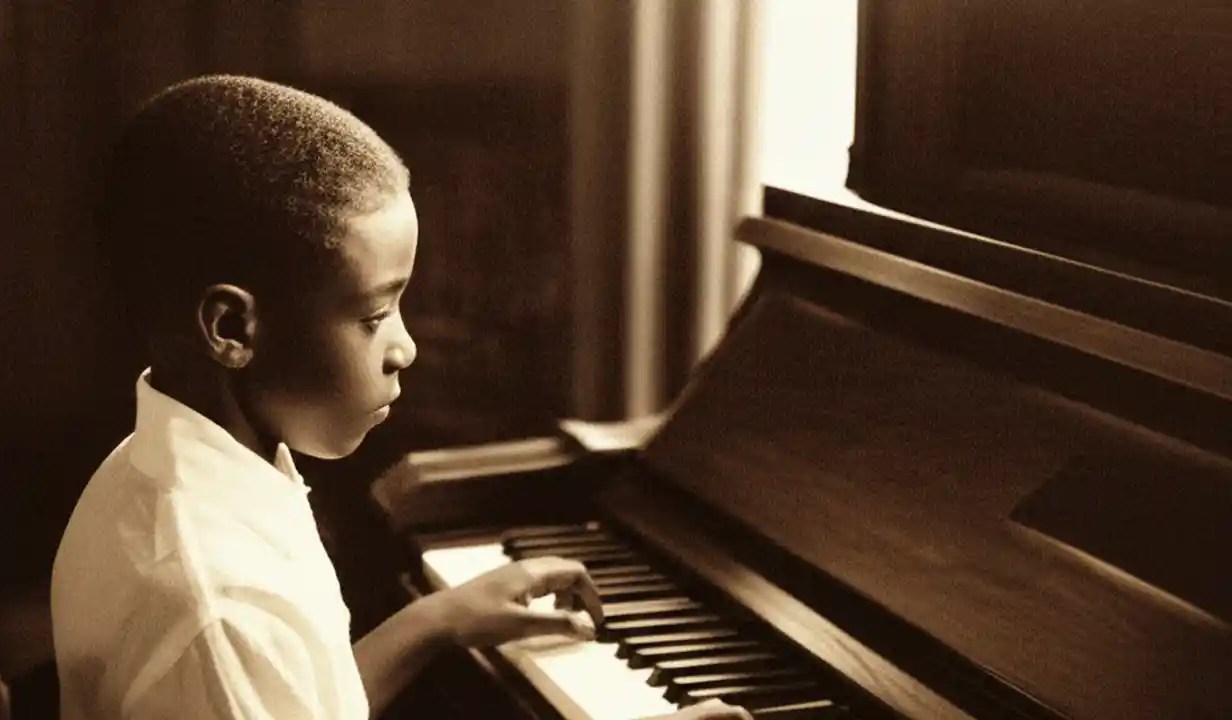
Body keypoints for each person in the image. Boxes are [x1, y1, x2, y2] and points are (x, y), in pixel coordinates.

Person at [50, 75, 750, 720]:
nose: (405, 347)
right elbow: (241, 667)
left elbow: (296, 702)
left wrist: (436, 621)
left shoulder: (151, 473)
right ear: (232, 328)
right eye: (374, 315)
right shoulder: (219, 609)